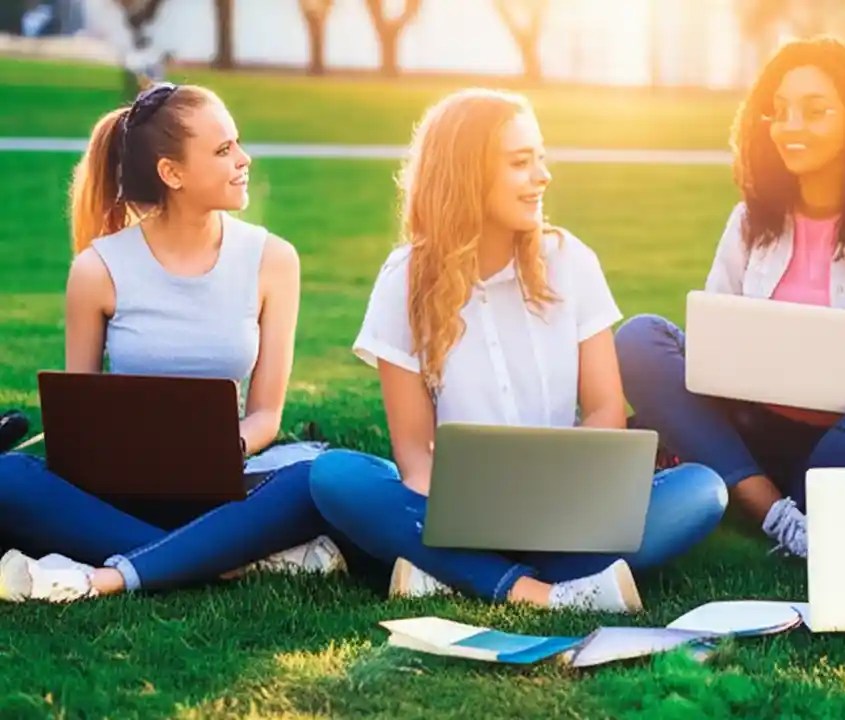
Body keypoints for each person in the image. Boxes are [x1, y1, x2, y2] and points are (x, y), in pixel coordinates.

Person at [307, 88, 728, 613]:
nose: (543, 176)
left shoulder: (570, 260)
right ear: (467, 175)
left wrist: (567, 493)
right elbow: (413, 452)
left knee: (701, 490)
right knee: (335, 477)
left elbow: (604, 409)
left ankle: (451, 574)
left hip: (567, 506)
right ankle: (542, 590)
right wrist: (460, 514)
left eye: (541, 159)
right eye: (521, 163)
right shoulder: (405, 280)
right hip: (458, 510)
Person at [614, 37, 845, 557]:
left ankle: (767, 503)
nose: (791, 127)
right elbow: (713, 338)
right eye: (780, 112)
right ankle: (778, 514)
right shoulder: (750, 221)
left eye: (814, 112)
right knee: (639, 338)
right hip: (755, 432)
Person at [0, 83, 342, 604]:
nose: (243, 160)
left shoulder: (273, 259)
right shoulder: (98, 269)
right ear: (172, 172)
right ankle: (230, 560)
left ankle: (162, 556)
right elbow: (78, 421)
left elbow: (266, 414)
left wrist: (226, 448)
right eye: (224, 150)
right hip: (121, 490)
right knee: (8, 480)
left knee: (325, 478)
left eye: (237, 144)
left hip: (227, 485)